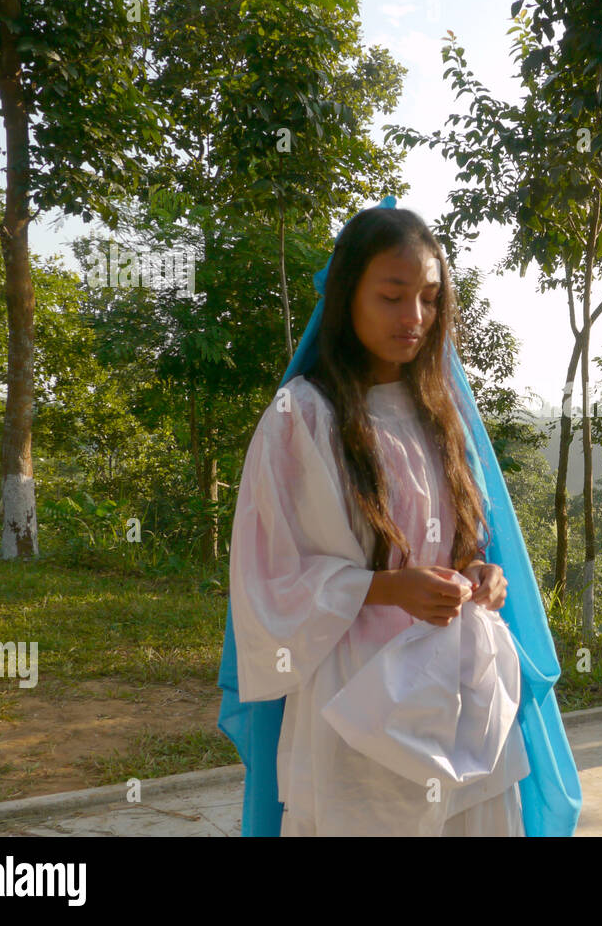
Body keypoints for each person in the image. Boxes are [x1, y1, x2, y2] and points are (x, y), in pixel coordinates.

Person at [218, 198, 581, 836]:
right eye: (392, 296)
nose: (414, 317)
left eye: (430, 298)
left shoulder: (441, 411)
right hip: (355, 699)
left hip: (458, 690)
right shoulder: (301, 417)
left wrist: (480, 572)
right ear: (346, 296)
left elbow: (461, 534)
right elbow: (267, 579)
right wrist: (387, 589)